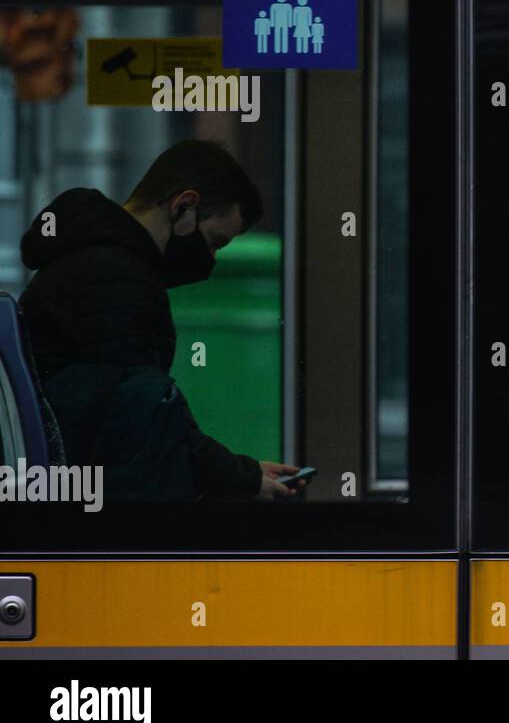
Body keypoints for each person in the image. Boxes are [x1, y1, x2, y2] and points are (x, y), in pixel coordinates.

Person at [18, 140, 302, 500]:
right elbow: (145, 414)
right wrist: (240, 477)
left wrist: (239, 468)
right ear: (184, 206)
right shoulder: (115, 278)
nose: (210, 259)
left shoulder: (94, 261)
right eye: (214, 241)